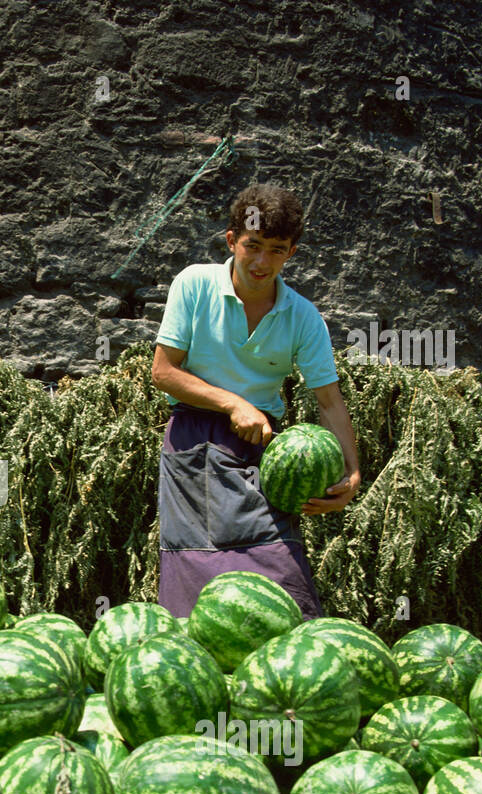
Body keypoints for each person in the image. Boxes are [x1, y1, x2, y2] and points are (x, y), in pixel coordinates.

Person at [150, 184, 361, 619]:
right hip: (193, 442)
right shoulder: (194, 284)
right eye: (253, 246)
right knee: (195, 575)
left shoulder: (303, 316)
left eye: (277, 250)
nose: (263, 262)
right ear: (232, 240)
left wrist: (352, 472)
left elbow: (329, 400)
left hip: (262, 451)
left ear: (292, 253)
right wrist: (232, 403)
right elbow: (164, 372)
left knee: (281, 575)